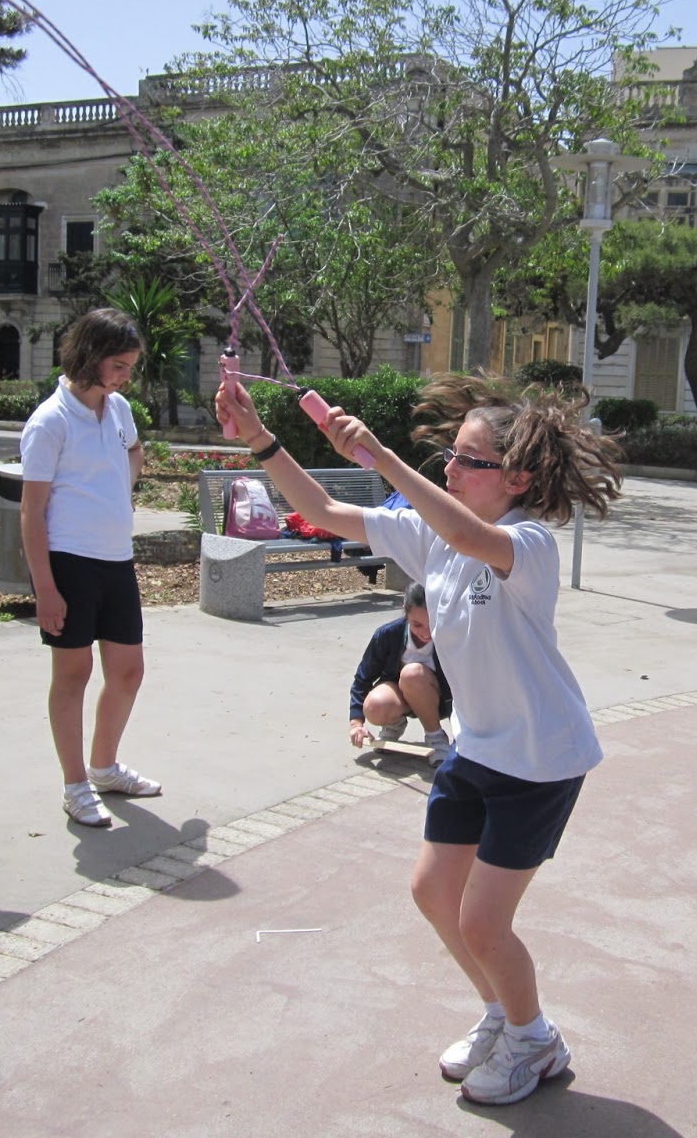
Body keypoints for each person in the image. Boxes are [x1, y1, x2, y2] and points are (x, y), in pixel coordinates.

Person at [216, 370, 621, 1107]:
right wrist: (261, 440)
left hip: (540, 758)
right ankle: (503, 1015)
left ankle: (535, 1040)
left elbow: (468, 534)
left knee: (483, 920)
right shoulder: (435, 536)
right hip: (477, 747)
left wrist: (380, 457)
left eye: (470, 460)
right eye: (450, 455)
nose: (451, 468)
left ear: (518, 478)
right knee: (434, 892)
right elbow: (322, 510)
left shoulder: (528, 544)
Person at [19, 308, 159, 829]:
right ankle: (75, 785)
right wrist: (45, 588)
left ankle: (104, 768)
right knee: (73, 675)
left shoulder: (118, 408)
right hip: (69, 562)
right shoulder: (49, 421)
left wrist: (121, 486)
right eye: (118, 366)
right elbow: (31, 512)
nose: (125, 377)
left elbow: (135, 452)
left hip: (116, 559)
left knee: (128, 672)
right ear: (90, 355)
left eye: (130, 368)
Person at [349, 581, 453, 765]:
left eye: (432, 624)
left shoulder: (452, 637)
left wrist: (466, 737)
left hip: (441, 701)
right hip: (401, 697)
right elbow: (362, 678)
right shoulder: (387, 634)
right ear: (405, 610)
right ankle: (394, 723)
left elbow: (467, 685)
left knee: (411, 674)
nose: (426, 633)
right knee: (374, 706)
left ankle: (436, 736)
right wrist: (356, 724)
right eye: (417, 624)